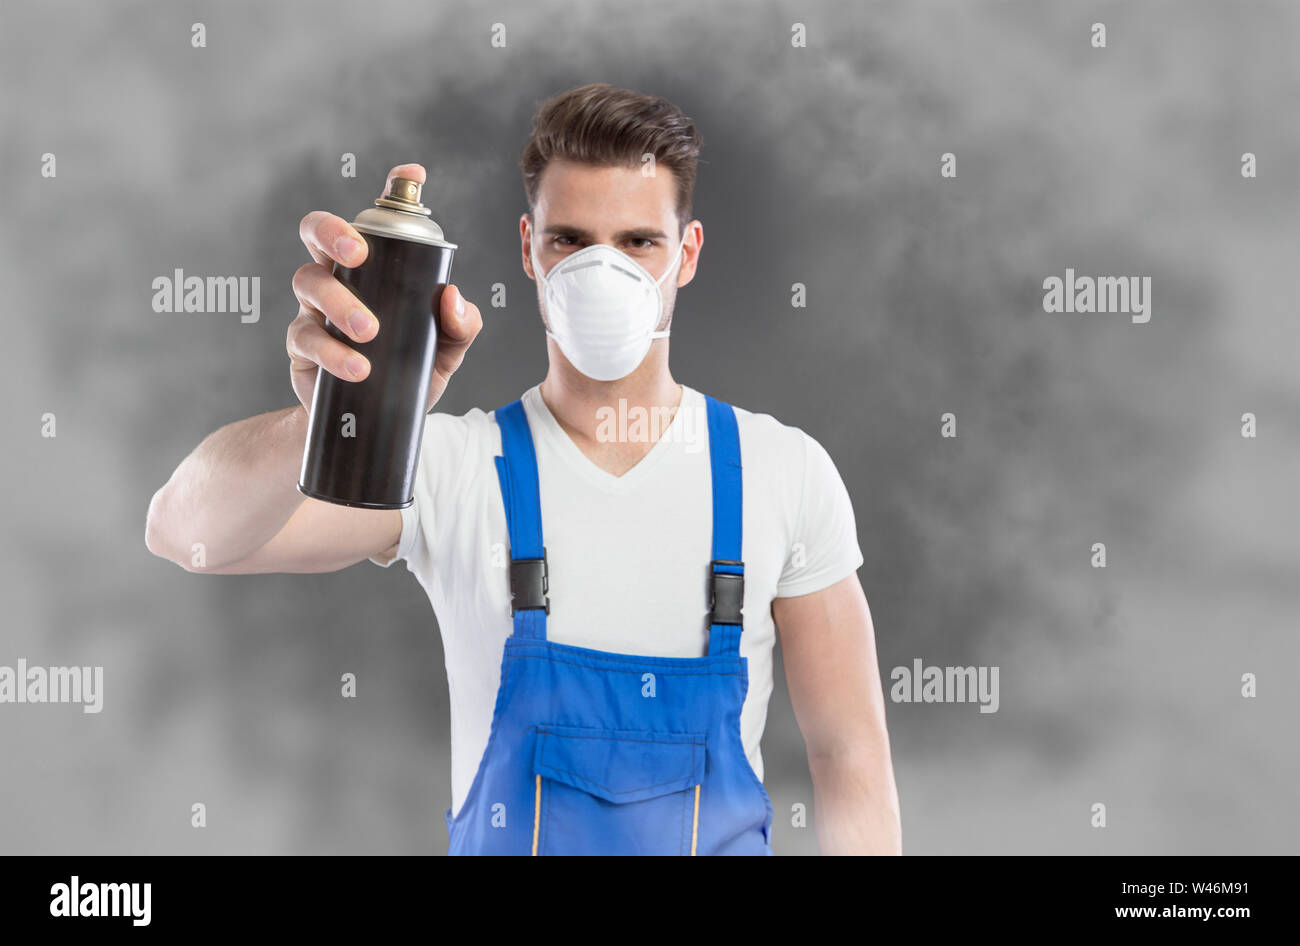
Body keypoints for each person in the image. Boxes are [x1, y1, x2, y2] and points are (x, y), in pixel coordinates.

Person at [146, 82, 901, 855]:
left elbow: (849, 756)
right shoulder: (445, 467)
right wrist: (333, 414)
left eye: (638, 241)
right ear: (528, 249)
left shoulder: (782, 472)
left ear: (688, 254)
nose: (603, 272)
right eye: (570, 240)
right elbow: (184, 531)